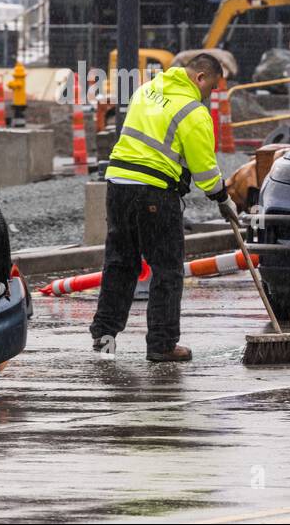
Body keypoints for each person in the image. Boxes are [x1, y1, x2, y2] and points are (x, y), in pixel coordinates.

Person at [89, 52, 237, 362]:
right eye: (210, 88)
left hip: (117, 184)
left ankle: (104, 336)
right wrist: (223, 199)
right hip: (155, 193)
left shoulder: (147, 90)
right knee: (167, 269)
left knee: (120, 262)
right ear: (200, 78)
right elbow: (205, 170)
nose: (208, 96)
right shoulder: (193, 112)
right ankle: (162, 344)